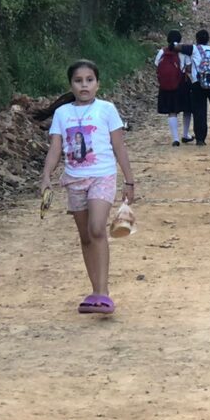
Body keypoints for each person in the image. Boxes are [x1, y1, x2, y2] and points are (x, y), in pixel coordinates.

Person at [40, 60, 136, 316]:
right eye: (78, 80)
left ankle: (104, 293)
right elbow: (56, 148)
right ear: (71, 84)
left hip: (102, 177)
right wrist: (46, 176)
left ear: (98, 83)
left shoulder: (107, 110)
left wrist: (129, 180)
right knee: (85, 237)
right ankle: (95, 291)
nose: (84, 85)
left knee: (96, 228)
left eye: (89, 80)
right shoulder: (62, 114)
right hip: (74, 180)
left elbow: (119, 147)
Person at [171, 29, 210, 146]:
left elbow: (175, 47)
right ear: (208, 40)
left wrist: (174, 42)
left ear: (197, 39)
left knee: (199, 111)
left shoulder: (194, 49)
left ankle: (200, 139)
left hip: (198, 84)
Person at [155, 30, 194, 146]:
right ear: (180, 39)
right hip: (182, 83)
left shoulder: (162, 52)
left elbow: (157, 66)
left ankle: (175, 139)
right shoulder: (183, 52)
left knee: (172, 111)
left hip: (167, 85)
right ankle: (186, 135)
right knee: (187, 110)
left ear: (167, 40)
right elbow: (189, 69)